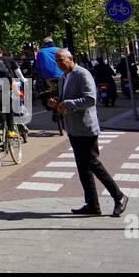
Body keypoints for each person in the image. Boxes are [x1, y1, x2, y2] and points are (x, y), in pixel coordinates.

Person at [47, 49, 127, 217]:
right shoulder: (63, 78)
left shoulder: (82, 74)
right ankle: (92, 204)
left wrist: (68, 103)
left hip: (86, 128)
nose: (59, 64)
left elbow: (91, 99)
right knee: (83, 168)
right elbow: (64, 102)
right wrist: (56, 103)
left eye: (61, 60)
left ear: (70, 59)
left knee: (93, 164)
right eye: (57, 61)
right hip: (73, 128)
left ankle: (119, 196)